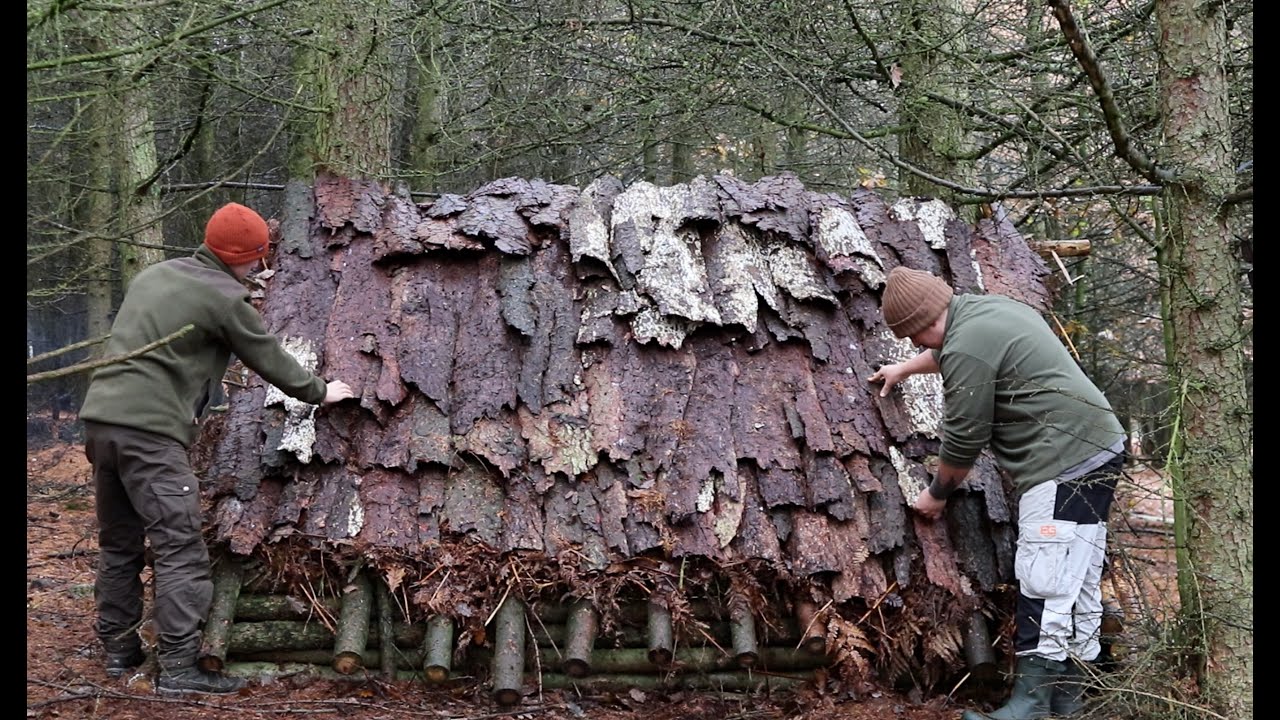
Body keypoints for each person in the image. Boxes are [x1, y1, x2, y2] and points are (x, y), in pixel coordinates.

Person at [79, 202, 354, 694]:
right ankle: (181, 670)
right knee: (179, 548)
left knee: (119, 544)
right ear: (246, 256)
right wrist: (319, 391)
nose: (259, 267)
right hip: (152, 434)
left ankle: (120, 654)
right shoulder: (225, 297)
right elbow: (267, 355)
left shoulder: (156, 275)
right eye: (256, 259)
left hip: (101, 421)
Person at [868, 266, 1126, 720]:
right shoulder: (987, 311)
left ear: (923, 323)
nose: (916, 347)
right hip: (1098, 447)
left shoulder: (967, 343)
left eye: (913, 339)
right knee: (1076, 577)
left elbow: (965, 437)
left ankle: (1029, 705)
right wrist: (908, 368)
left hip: (1061, 461)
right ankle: (1069, 696)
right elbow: (964, 354)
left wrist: (937, 493)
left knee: (1044, 578)